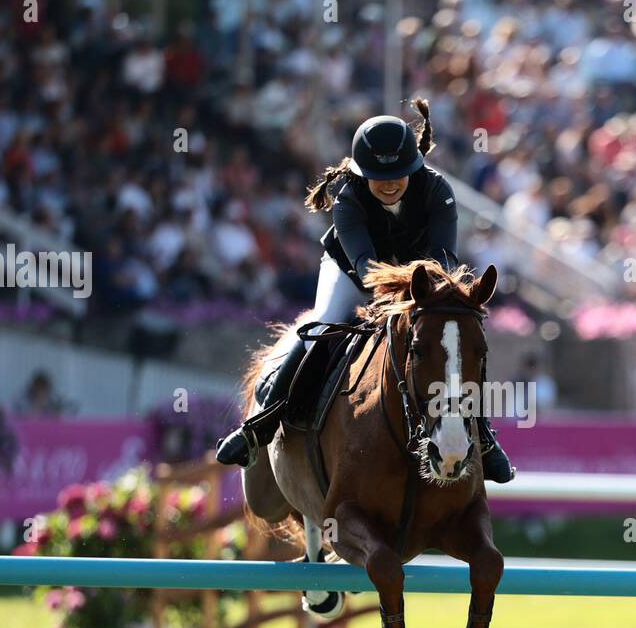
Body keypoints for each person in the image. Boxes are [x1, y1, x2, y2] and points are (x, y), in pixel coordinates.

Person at [216, 98, 515, 481]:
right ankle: (259, 424)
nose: (389, 185)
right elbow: (366, 268)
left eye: (398, 176)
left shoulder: (437, 190)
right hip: (353, 274)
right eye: (378, 176)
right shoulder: (348, 199)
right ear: (362, 173)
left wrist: (424, 298)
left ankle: (484, 437)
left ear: (413, 168)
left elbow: (443, 261)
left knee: (458, 339)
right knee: (321, 328)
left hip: (421, 282)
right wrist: (394, 297)